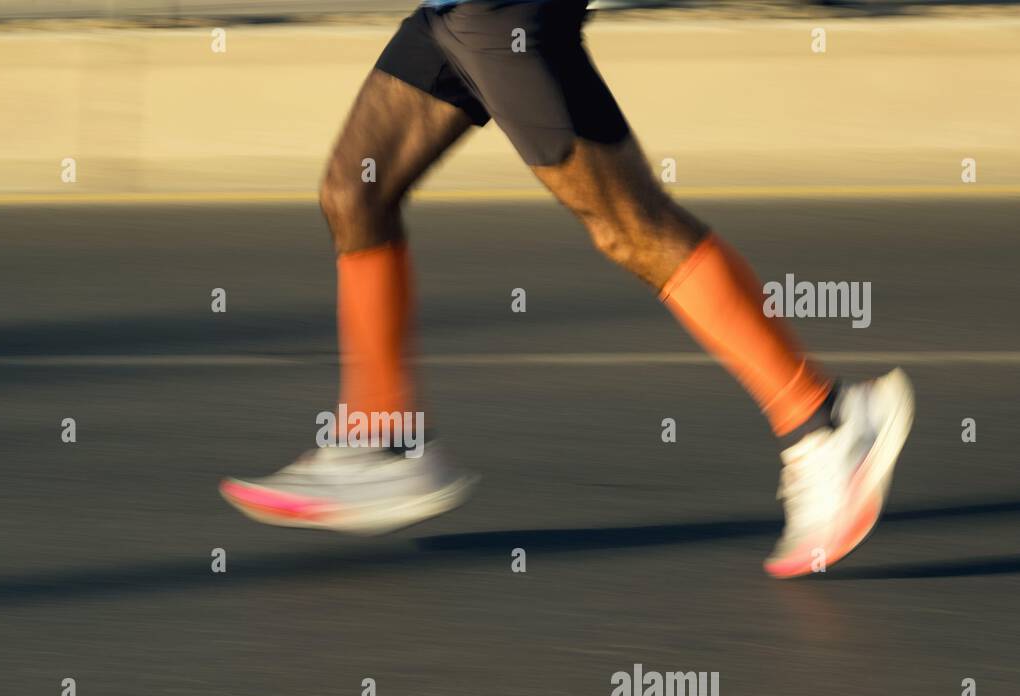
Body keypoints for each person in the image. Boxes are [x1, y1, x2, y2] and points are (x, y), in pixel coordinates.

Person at [219, 0, 914, 578]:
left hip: (500, 9)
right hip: (452, 12)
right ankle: (381, 441)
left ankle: (825, 424)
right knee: (355, 190)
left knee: (628, 223)